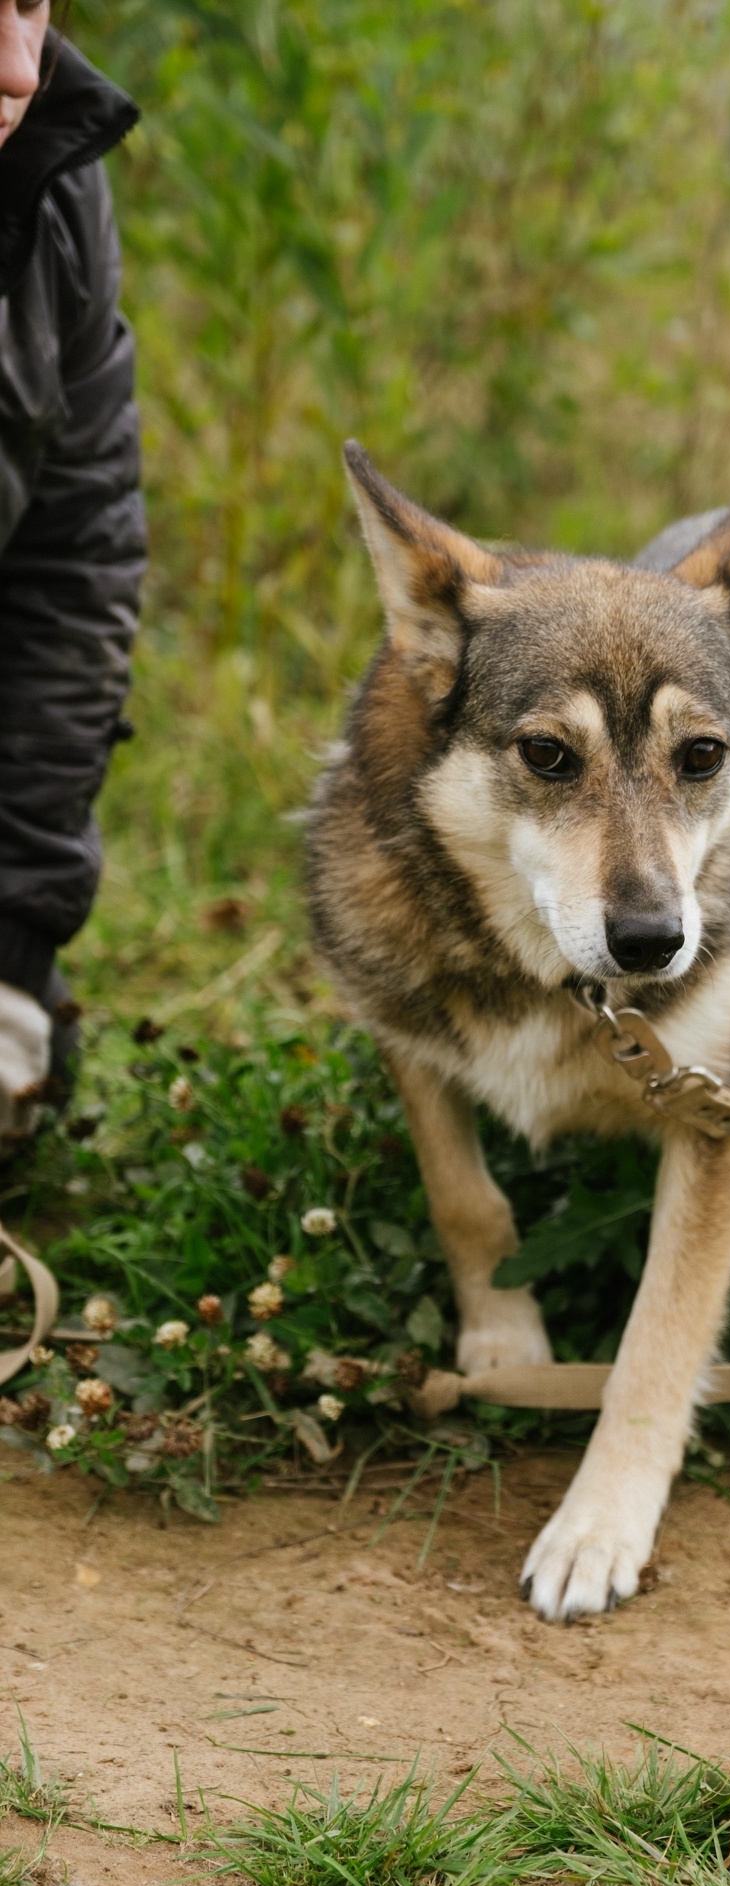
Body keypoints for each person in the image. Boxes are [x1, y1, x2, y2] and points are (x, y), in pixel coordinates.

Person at [0, 1, 144, 1146]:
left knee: (40, 1076)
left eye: (30, 5)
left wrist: (11, 945)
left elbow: (71, 569)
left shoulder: (53, 169)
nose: (16, 68)